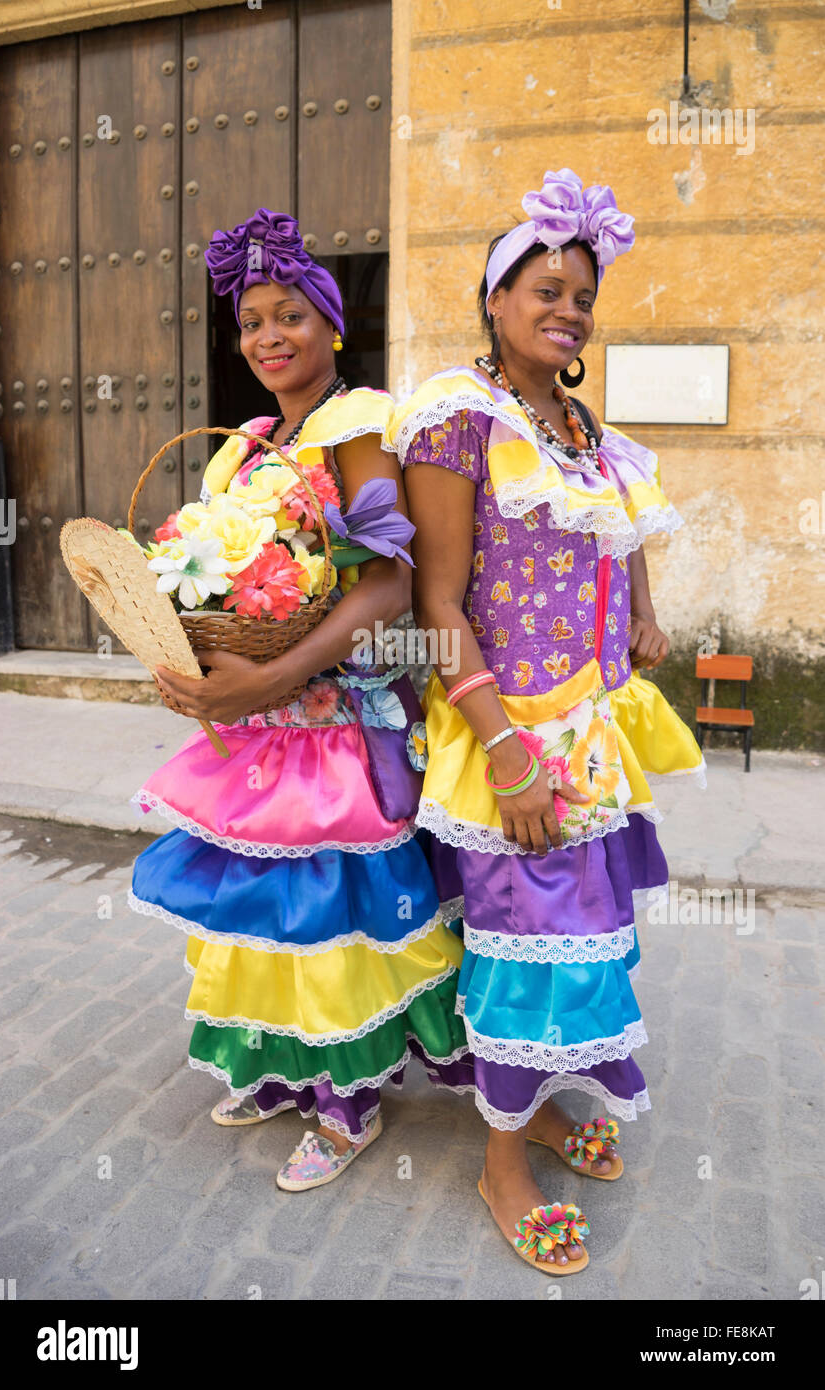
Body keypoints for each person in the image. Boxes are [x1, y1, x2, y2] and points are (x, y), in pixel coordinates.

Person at [385, 169, 704, 1272]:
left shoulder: (577, 424)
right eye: (544, 291)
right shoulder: (456, 418)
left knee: (581, 944)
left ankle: (536, 1108)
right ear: (494, 301)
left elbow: (622, 532)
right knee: (537, 953)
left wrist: (647, 613)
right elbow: (436, 606)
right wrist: (505, 751)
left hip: (592, 730)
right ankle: (502, 1162)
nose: (566, 311)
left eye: (580, 297)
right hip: (509, 735)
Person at [129, 207, 473, 1191]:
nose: (267, 336)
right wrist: (192, 655)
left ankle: (348, 1099)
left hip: (336, 726)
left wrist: (278, 675)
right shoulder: (240, 446)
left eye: (288, 315)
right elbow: (208, 573)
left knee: (333, 919)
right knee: (261, 908)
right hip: (257, 726)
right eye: (249, 322)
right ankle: (283, 1066)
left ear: (330, 326)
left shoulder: (356, 426)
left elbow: (388, 585)